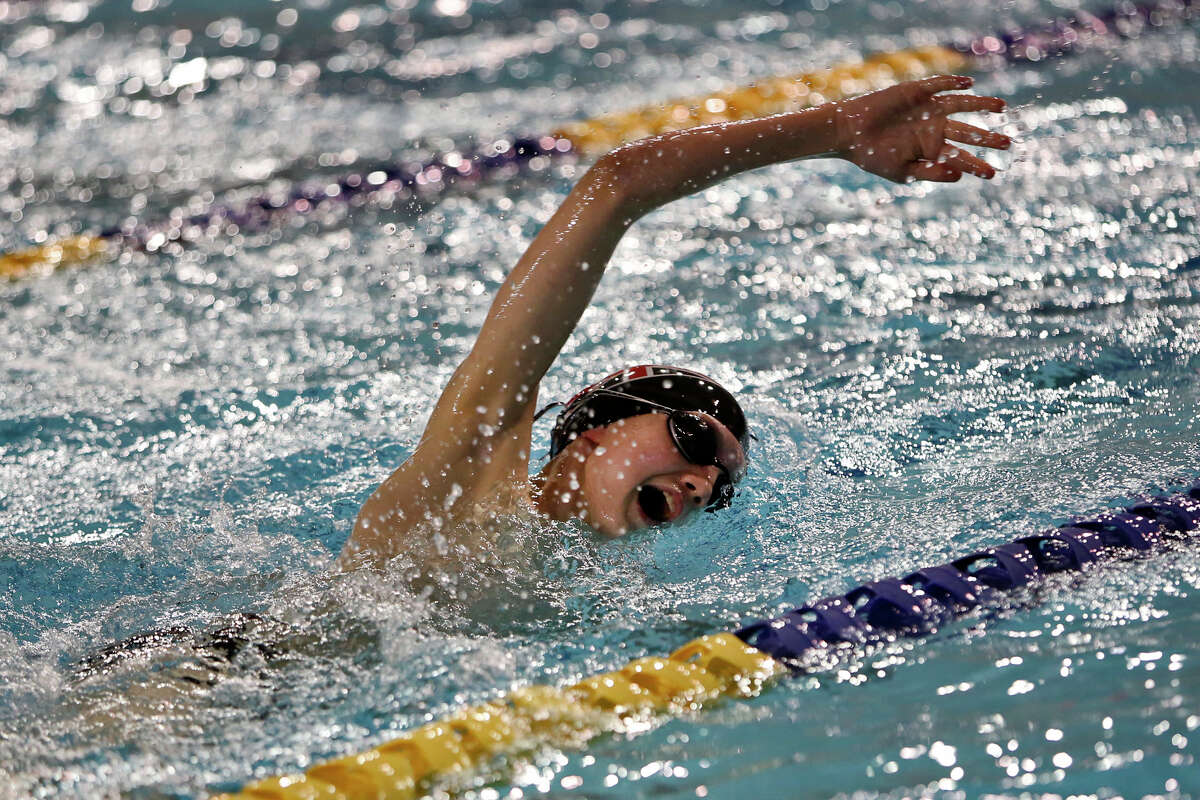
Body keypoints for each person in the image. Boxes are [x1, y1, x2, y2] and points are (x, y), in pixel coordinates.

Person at [338, 75, 1011, 574]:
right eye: (694, 439)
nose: (704, 484)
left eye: (719, 490)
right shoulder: (464, 485)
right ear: (596, 432)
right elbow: (617, 184)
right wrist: (833, 131)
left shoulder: (594, 596)